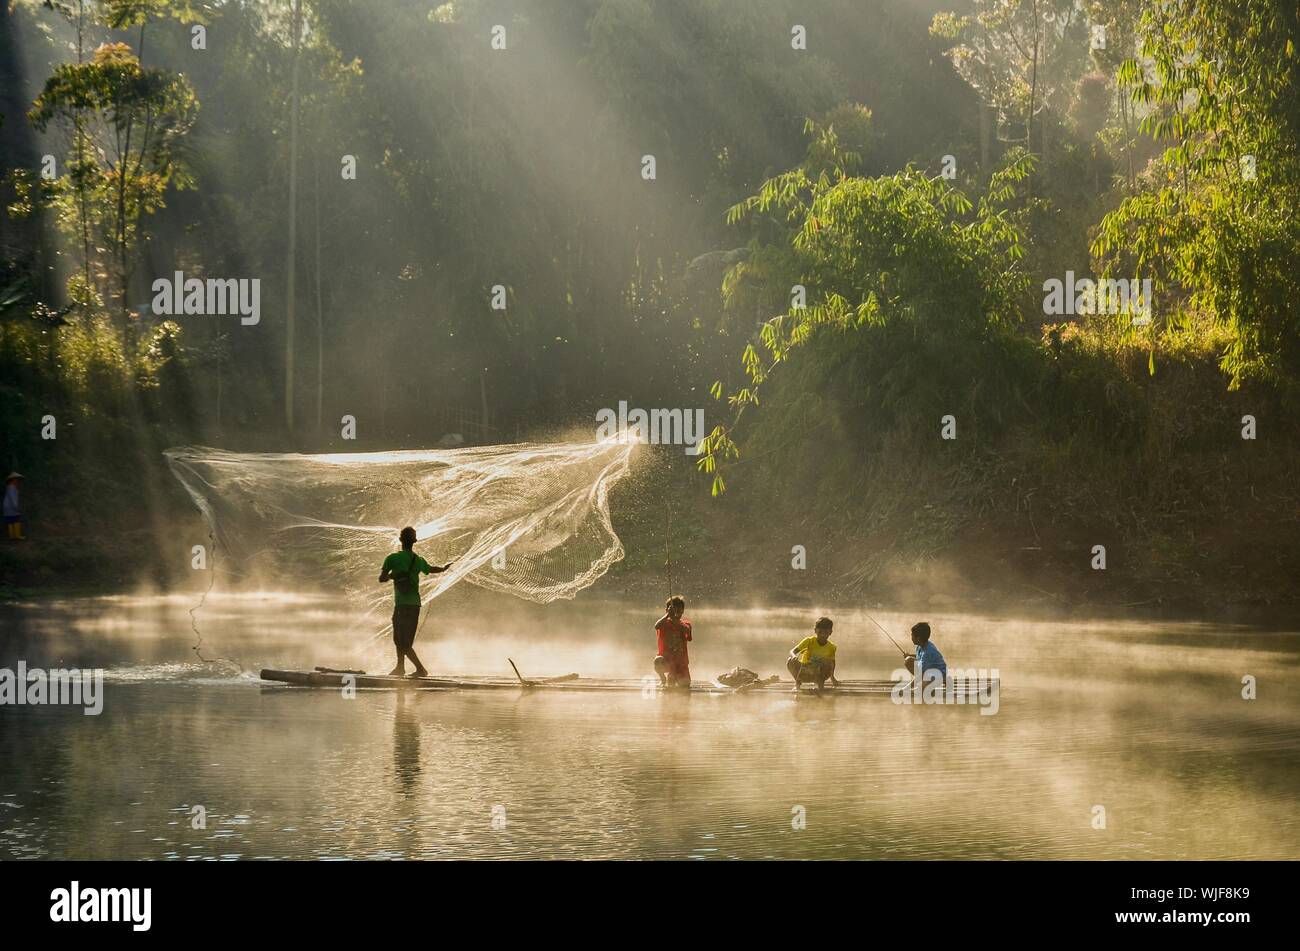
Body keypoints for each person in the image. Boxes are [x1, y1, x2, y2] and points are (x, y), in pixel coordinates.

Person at [378, 526, 452, 677]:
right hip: (414, 605)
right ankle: (400, 668)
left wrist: (393, 576)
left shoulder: (392, 558)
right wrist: (443, 569)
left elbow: (381, 579)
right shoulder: (418, 560)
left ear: (400, 540)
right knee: (404, 641)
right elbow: (430, 569)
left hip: (401, 605)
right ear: (415, 541)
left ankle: (420, 670)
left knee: (400, 641)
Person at [787, 616, 840, 693]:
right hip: (804, 672)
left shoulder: (832, 647)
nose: (822, 635)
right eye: (820, 632)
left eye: (825, 633)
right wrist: (794, 656)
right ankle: (798, 683)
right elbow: (792, 651)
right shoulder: (809, 641)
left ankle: (820, 685)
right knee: (790, 661)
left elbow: (832, 663)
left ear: (830, 632)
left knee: (829, 662)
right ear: (815, 631)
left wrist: (832, 678)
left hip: (819, 675)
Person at [654, 595, 693, 688]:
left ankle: (673, 676)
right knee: (658, 660)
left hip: (681, 663)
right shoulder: (664, 623)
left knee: (685, 684)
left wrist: (674, 618)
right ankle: (663, 678)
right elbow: (657, 626)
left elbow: (686, 630)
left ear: (682, 611)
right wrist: (668, 615)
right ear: (666, 610)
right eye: (673, 611)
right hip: (667, 661)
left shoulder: (686, 624)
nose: (676, 613)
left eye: (678, 611)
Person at [4, 472, 23, 541]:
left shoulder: (11, 486)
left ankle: (13, 537)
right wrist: (16, 507)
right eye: (16, 479)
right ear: (12, 479)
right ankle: (16, 536)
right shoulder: (11, 487)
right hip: (10, 506)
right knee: (15, 519)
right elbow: (13, 498)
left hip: (8, 506)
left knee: (11, 520)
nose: (17, 480)